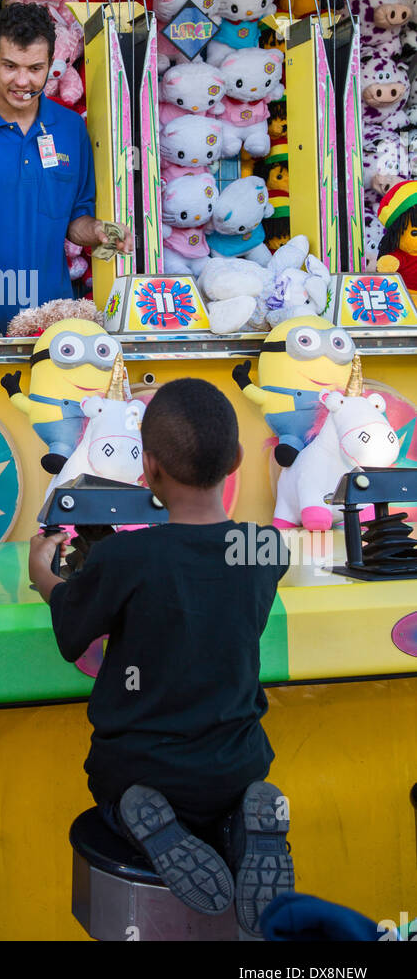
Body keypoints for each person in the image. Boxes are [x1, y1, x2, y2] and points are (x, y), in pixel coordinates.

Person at [28, 377, 294, 936]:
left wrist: (46, 579)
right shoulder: (266, 548)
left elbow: (73, 632)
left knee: (121, 791)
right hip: (236, 763)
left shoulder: (127, 555)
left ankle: (144, 817)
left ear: (148, 469)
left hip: (141, 766)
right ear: (237, 460)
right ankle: (244, 822)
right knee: (227, 799)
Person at [0, 2, 130, 333]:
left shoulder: (71, 128)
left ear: (50, 65)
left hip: (53, 323)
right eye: (10, 66)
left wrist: (100, 231)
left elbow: (77, 219)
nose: (22, 81)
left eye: (35, 68)